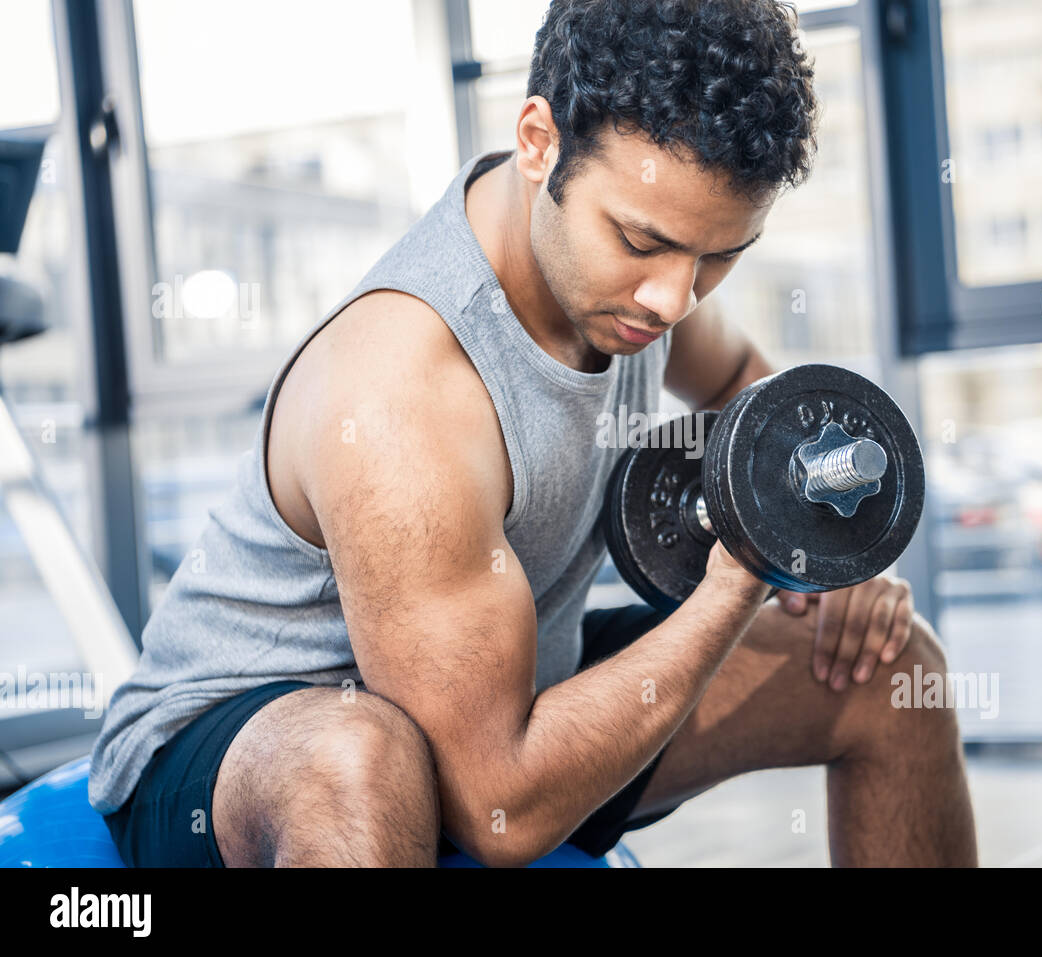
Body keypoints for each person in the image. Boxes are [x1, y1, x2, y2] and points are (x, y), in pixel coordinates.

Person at [89, 0, 977, 867]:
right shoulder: (407, 387)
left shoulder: (639, 291)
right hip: (249, 742)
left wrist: (828, 548)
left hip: (504, 701)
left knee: (893, 676)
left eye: (717, 257)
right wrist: (750, 565)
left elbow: (752, 392)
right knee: (364, 764)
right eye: (641, 240)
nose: (673, 299)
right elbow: (499, 811)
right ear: (537, 142)